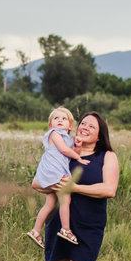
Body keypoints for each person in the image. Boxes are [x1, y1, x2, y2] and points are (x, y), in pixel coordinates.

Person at [32, 111, 120, 261]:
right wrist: (50, 185)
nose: (85, 127)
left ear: (100, 134)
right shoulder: (63, 149)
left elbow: (109, 189)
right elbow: (36, 183)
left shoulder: (107, 156)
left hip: (89, 224)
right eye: (83, 124)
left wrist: (75, 188)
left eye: (92, 126)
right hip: (58, 223)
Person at [28, 106, 87, 248]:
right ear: (50, 125)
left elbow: (71, 150)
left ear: (70, 125)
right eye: (56, 118)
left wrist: (78, 146)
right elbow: (65, 150)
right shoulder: (54, 134)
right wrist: (78, 157)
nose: (60, 120)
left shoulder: (68, 138)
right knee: (65, 199)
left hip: (54, 172)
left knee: (50, 203)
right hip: (53, 172)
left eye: (64, 119)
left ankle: (36, 231)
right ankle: (65, 229)